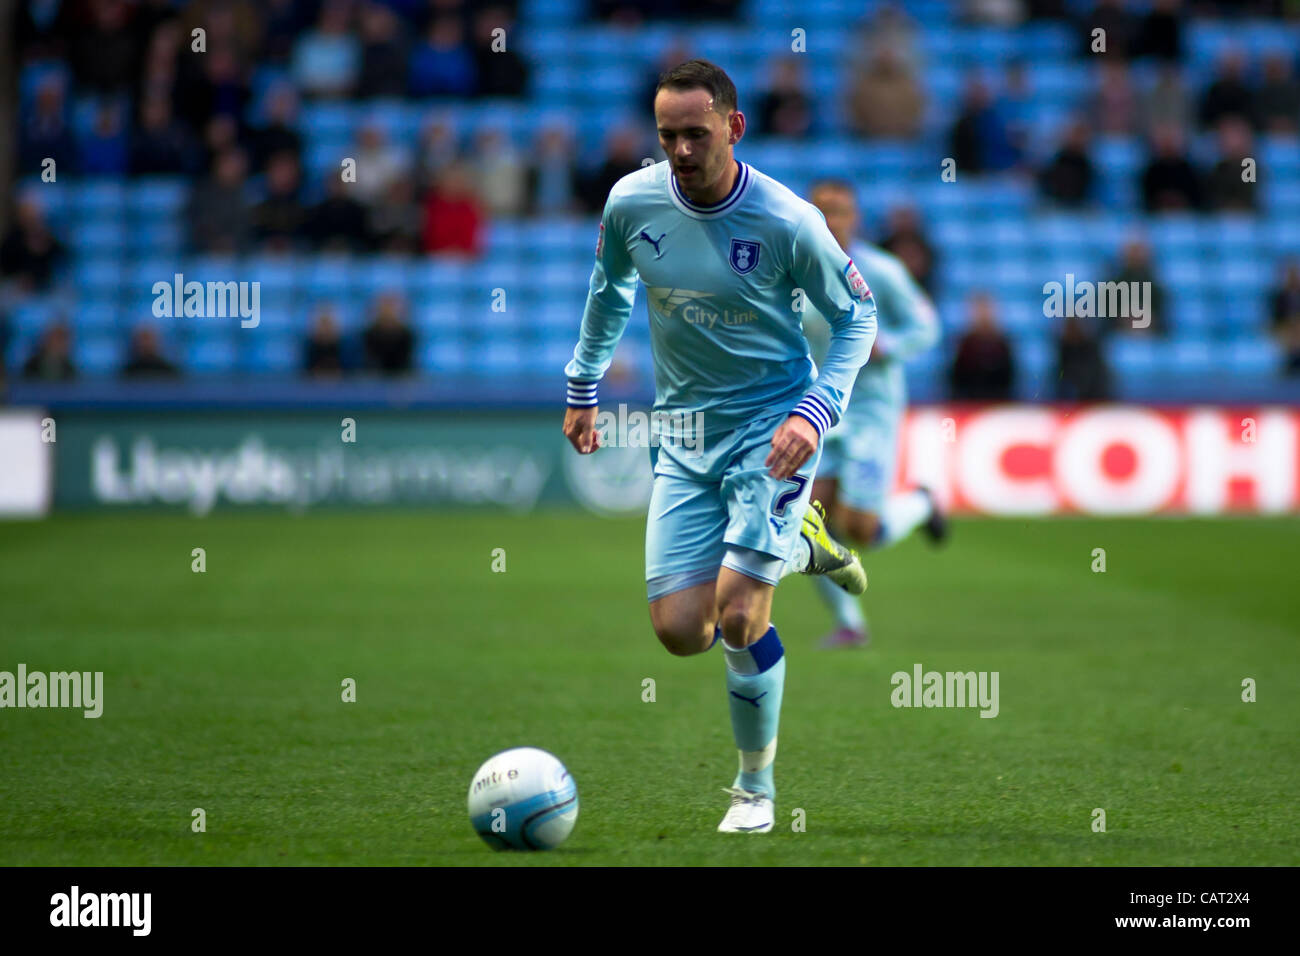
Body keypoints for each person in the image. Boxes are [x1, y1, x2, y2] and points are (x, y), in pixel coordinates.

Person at [562, 60, 874, 835]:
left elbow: (858, 319)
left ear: (734, 127)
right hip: (684, 436)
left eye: (695, 134)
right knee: (679, 632)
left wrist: (815, 409)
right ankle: (803, 545)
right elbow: (609, 291)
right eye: (666, 135)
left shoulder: (787, 220)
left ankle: (755, 790)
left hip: (771, 435)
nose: (679, 149)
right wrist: (582, 385)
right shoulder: (632, 203)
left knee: (739, 615)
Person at [801, 180, 945, 650]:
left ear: (855, 218)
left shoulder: (881, 271)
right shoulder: (794, 270)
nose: (831, 219)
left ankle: (922, 503)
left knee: (861, 527)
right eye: (821, 210)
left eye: (840, 211)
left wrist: (890, 346)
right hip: (823, 409)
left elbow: (926, 325)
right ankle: (850, 624)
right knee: (803, 520)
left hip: (872, 412)